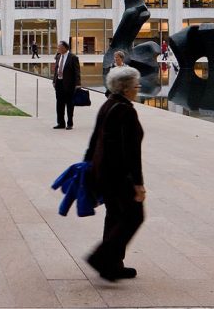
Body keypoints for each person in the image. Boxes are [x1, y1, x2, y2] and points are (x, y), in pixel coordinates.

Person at [84, 65, 146, 281]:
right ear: (127, 88)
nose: (138, 88)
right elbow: (131, 152)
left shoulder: (108, 104)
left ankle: (112, 264)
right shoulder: (125, 110)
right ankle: (101, 258)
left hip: (103, 172)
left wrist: (88, 164)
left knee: (115, 216)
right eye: (136, 85)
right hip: (119, 176)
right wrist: (138, 184)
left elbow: (94, 140)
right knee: (134, 216)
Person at [52, 40, 82, 130]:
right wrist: (54, 81)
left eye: (59, 47)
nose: (58, 49)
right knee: (59, 104)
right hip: (59, 84)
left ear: (64, 48)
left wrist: (78, 84)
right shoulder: (58, 56)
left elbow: (77, 72)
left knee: (69, 104)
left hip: (69, 85)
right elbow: (56, 70)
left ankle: (70, 123)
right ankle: (61, 123)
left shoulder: (73, 57)